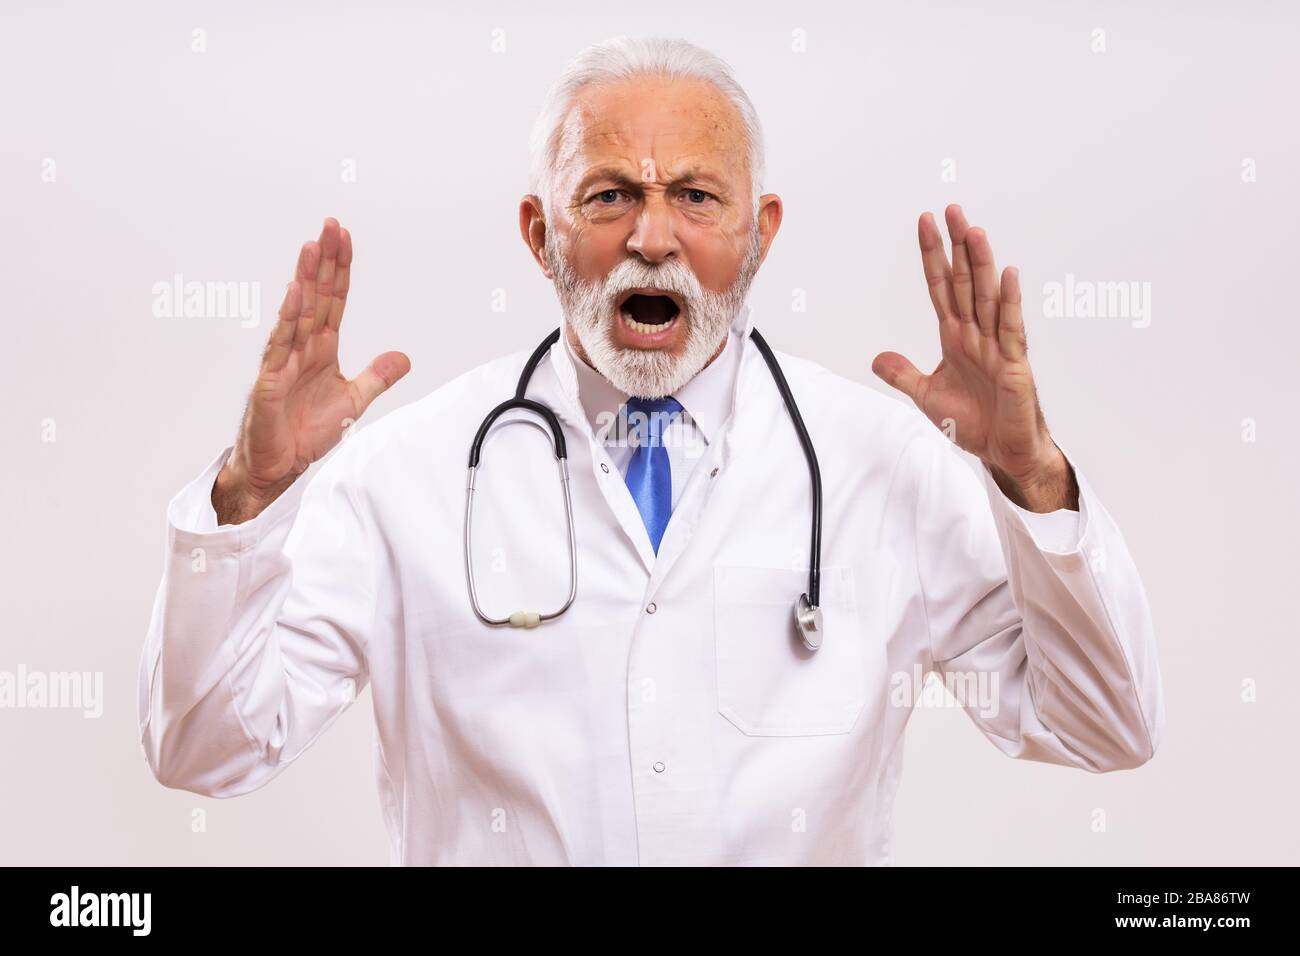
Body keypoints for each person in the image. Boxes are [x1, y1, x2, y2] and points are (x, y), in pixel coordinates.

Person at [138, 36, 1164, 865]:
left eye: (696, 197)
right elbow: (204, 747)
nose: (654, 237)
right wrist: (250, 489)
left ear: (759, 233)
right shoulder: (405, 470)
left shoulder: (881, 460)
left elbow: (1102, 728)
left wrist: (1032, 479)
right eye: (609, 194)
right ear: (540, 236)